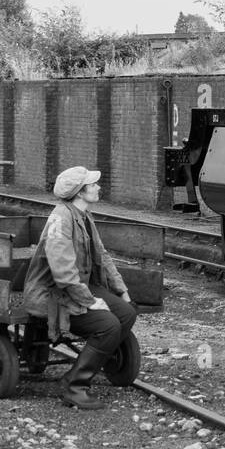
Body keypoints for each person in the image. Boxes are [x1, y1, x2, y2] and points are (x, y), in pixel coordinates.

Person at [23, 166, 135, 410]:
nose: (98, 187)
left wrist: (120, 288)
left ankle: (88, 364)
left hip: (77, 287)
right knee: (108, 326)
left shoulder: (84, 215)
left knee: (126, 313)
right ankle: (74, 387)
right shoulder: (60, 219)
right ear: (79, 192)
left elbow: (102, 255)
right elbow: (62, 272)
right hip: (51, 294)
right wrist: (90, 301)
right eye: (92, 185)